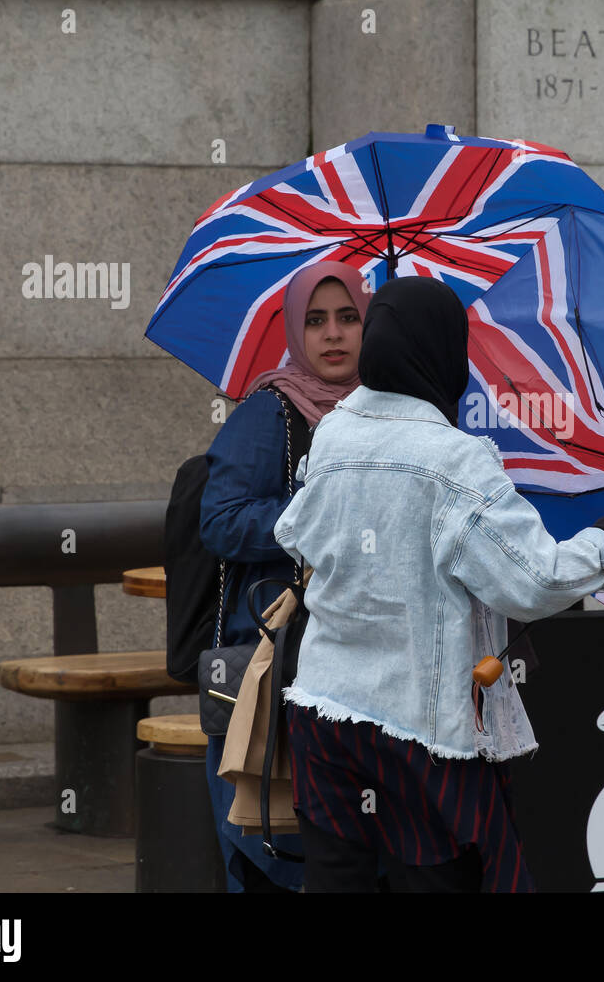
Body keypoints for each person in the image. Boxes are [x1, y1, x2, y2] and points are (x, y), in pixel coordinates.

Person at [273, 276, 604, 893]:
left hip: (323, 712)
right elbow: (534, 582)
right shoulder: (454, 459)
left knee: (337, 883)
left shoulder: (332, 435)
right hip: (417, 731)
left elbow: (294, 535)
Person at [200, 260, 371, 892]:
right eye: (316, 321)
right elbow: (220, 521)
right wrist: (315, 517)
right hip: (280, 654)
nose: (334, 335)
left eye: (349, 318)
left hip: (356, 654)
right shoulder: (271, 412)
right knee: (274, 828)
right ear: (297, 333)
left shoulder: (387, 410)